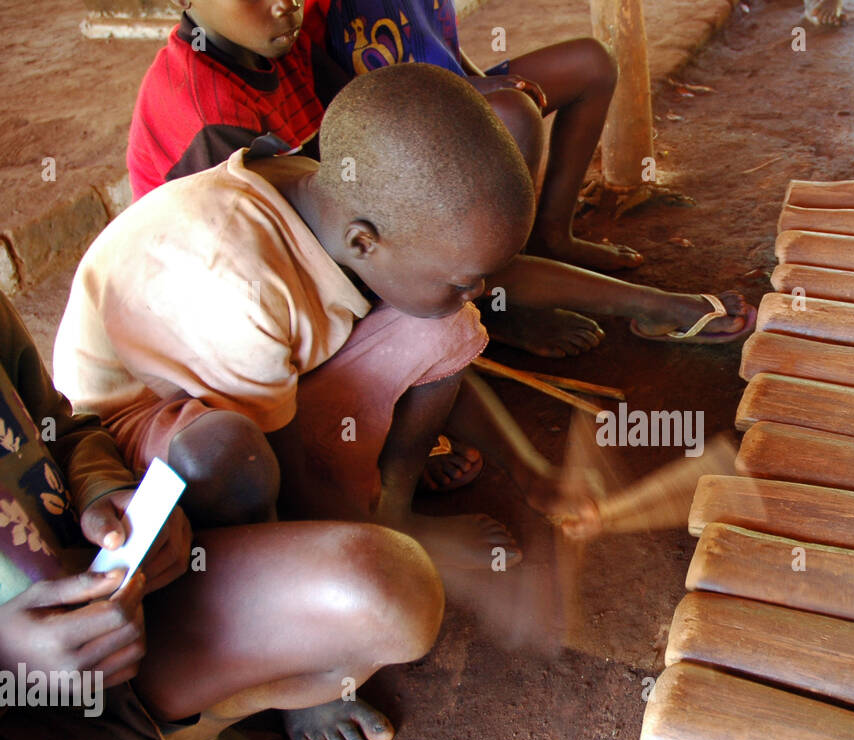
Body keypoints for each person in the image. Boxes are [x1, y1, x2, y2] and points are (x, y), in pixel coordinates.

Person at [57, 64, 606, 580]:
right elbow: (286, 470)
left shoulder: (327, 201)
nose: (480, 292)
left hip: (249, 368)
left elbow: (428, 350)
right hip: (144, 420)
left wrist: (528, 468)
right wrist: (374, 550)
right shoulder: (243, 286)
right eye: (463, 278)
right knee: (232, 455)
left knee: (444, 325)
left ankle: (393, 500)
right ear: (364, 242)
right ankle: (347, 544)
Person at [0, 289, 444, 740]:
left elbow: (59, 426)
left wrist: (108, 494)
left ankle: (193, 732)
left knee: (392, 589)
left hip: (130, 619)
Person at [126, 0, 755, 365]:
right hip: (263, 289)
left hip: (327, 210)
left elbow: (358, 118)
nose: (284, 2)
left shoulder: (274, 42)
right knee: (437, 256)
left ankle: (518, 291)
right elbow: (242, 277)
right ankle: (645, 308)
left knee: (458, 218)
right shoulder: (203, 119)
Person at [323, 0, 643, 271]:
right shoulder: (314, 9)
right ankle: (506, 277)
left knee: (592, 62)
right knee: (512, 111)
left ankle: (552, 237)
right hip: (392, 133)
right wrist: (473, 89)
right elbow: (346, 97)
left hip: (448, 94)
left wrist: (478, 80)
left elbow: (439, 44)